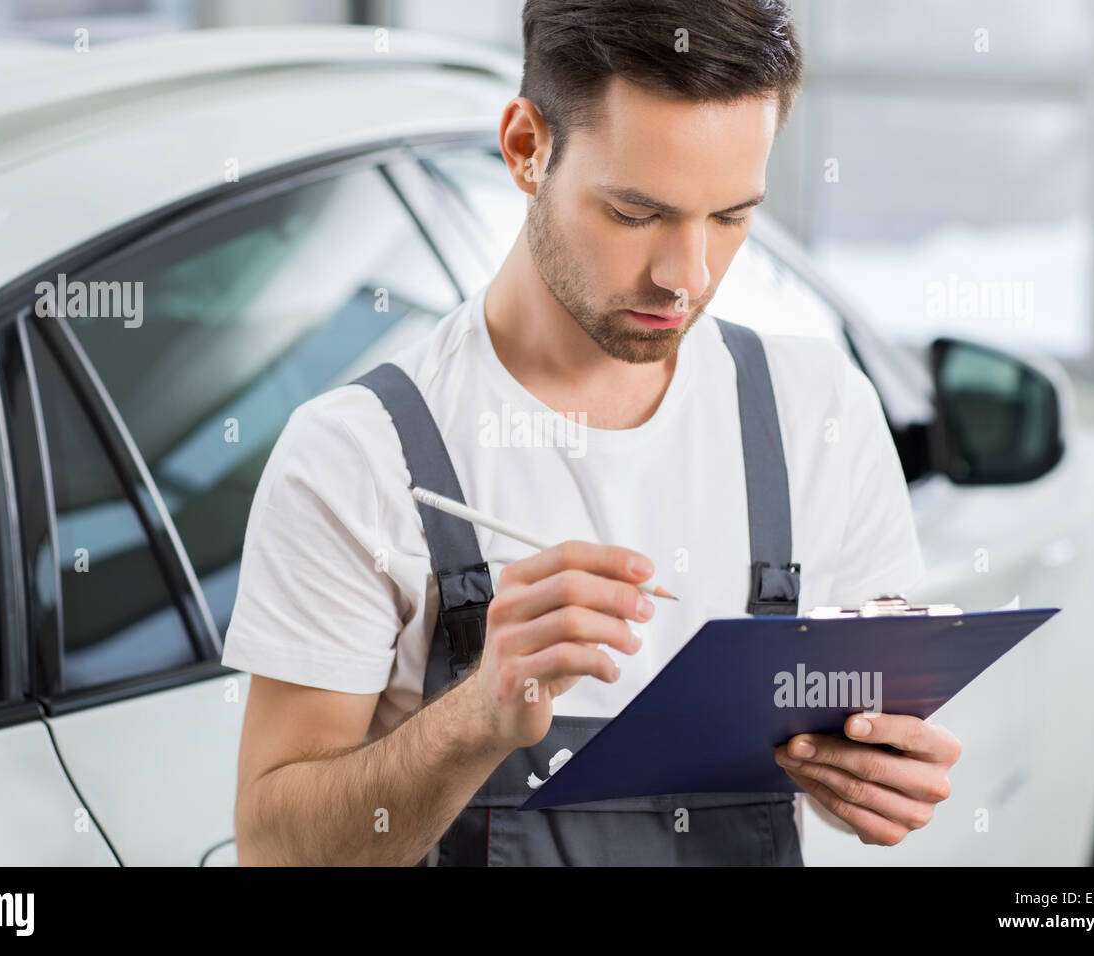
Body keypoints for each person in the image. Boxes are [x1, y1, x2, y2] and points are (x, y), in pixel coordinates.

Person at [226, 0, 961, 866]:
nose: (685, 277)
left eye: (730, 217)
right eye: (636, 214)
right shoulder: (359, 454)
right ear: (527, 149)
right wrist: (475, 718)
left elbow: (855, 749)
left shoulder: (820, 410)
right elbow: (275, 852)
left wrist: (869, 777)